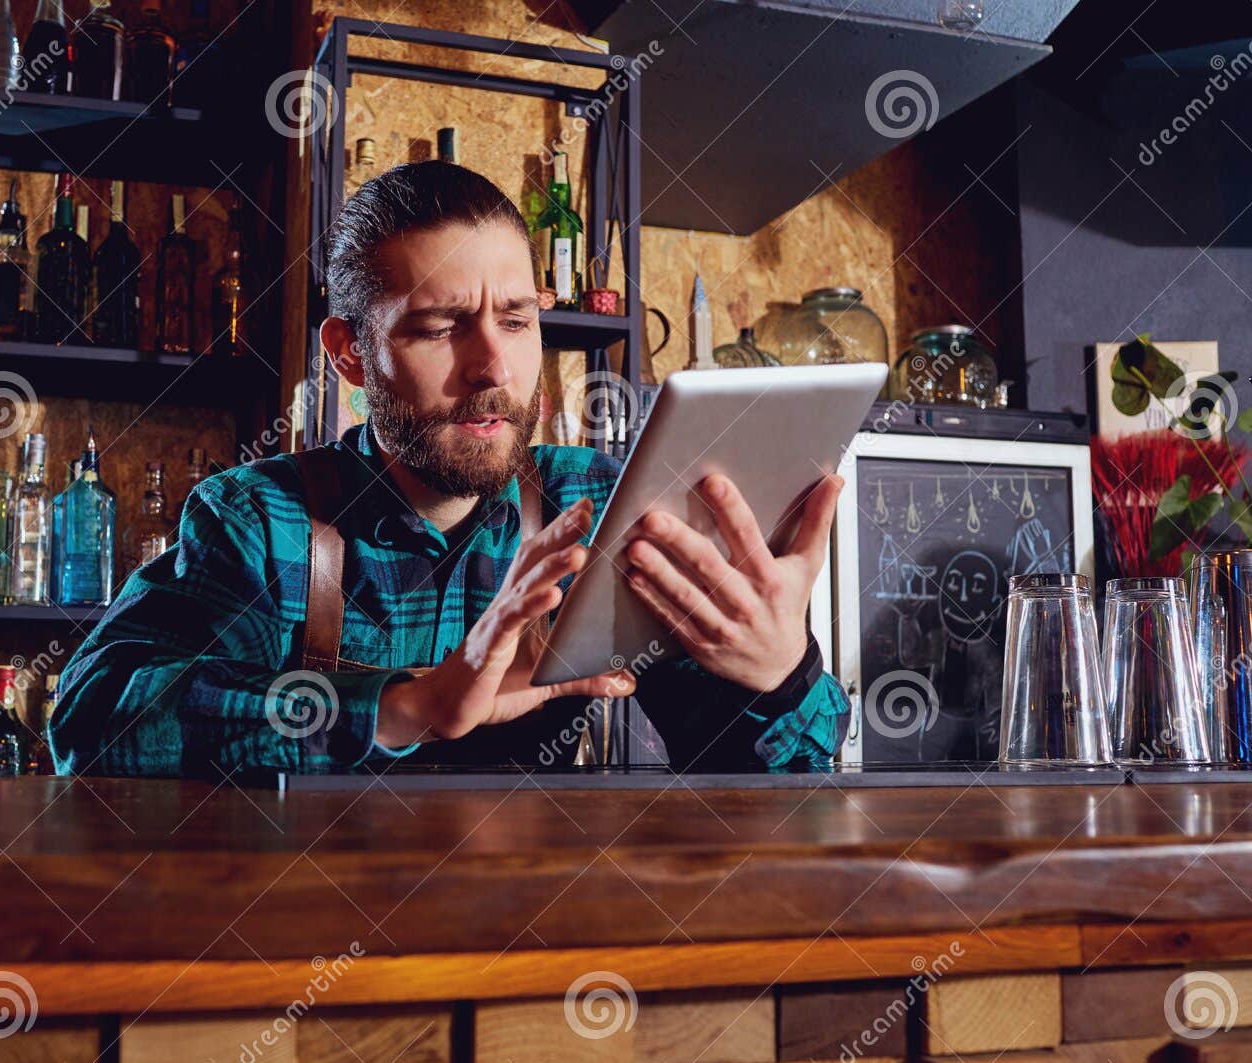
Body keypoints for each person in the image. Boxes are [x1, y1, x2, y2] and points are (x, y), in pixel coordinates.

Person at [48, 161, 849, 776]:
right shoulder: (259, 520)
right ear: (350, 353)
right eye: (441, 327)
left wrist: (779, 673)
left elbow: (760, 784)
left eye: (516, 319)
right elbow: (91, 723)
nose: (493, 366)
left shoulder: (596, 504)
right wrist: (412, 704)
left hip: (530, 962)